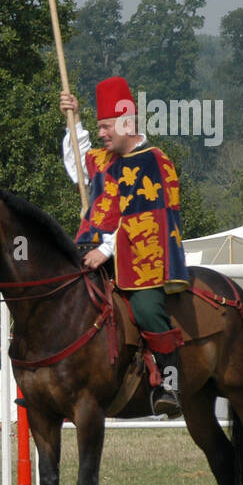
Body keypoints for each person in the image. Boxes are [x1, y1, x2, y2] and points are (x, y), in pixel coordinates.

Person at [60, 77, 189, 416]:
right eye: (99, 128)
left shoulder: (154, 160)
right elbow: (78, 166)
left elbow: (147, 217)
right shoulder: (106, 159)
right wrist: (74, 121)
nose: (102, 134)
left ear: (126, 124)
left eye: (106, 128)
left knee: (146, 308)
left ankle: (170, 385)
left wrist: (106, 250)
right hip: (93, 250)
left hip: (142, 257)